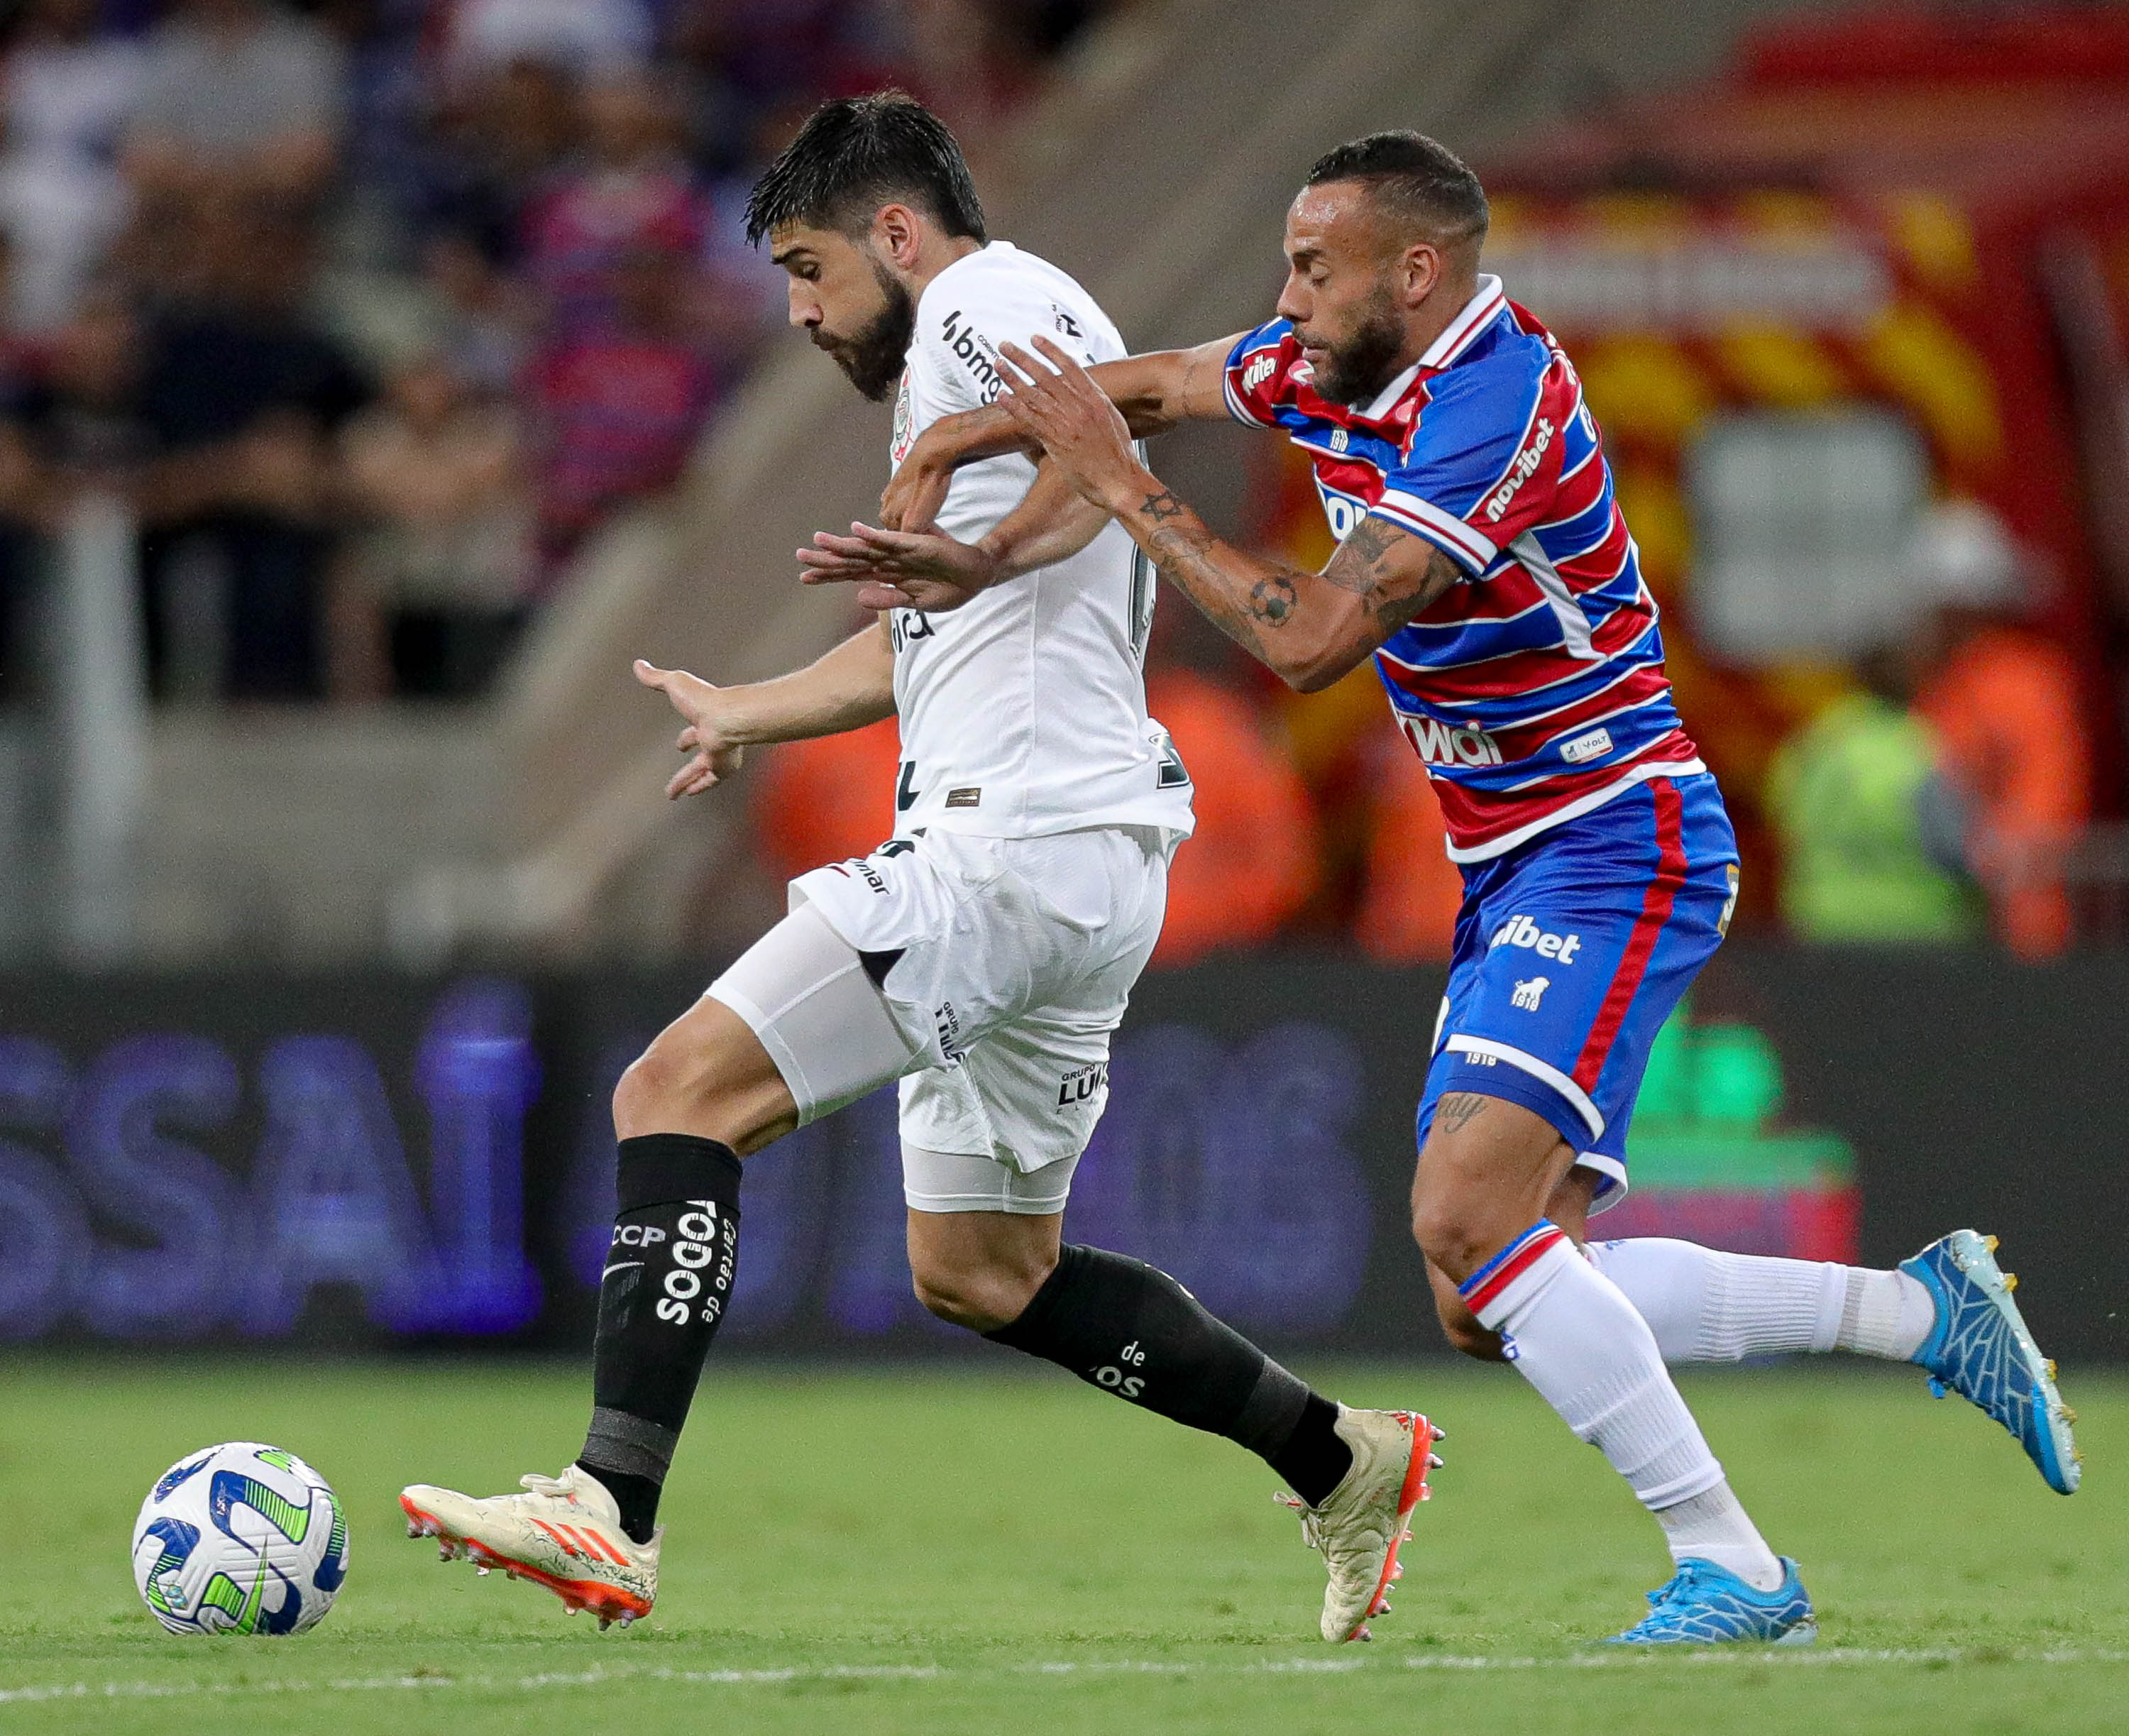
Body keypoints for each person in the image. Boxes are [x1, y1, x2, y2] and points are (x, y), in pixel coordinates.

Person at [822, 131, 2080, 1645]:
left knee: (1470, 1218)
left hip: (1615, 835)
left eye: (1312, 265)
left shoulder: (1492, 409)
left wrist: (1123, 497)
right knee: (1488, 1296)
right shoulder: (1332, 361)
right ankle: (1925, 1315)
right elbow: (1142, 391)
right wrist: (960, 456)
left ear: (1413, 273)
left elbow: (1305, 641)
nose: (1285, 296)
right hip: (1517, 858)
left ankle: (1737, 1568)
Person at [400, 94, 1440, 1644]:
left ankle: (608, 1503)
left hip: (1004, 844)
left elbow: (1106, 430)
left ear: (897, 233)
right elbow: (933, 621)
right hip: (1079, 857)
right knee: (984, 1266)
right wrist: (751, 707)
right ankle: (1340, 1454)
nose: (808, 314)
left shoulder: (982, 300)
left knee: (672, 1094)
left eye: (812, 271)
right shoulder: (993, 335)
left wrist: (997, 546)